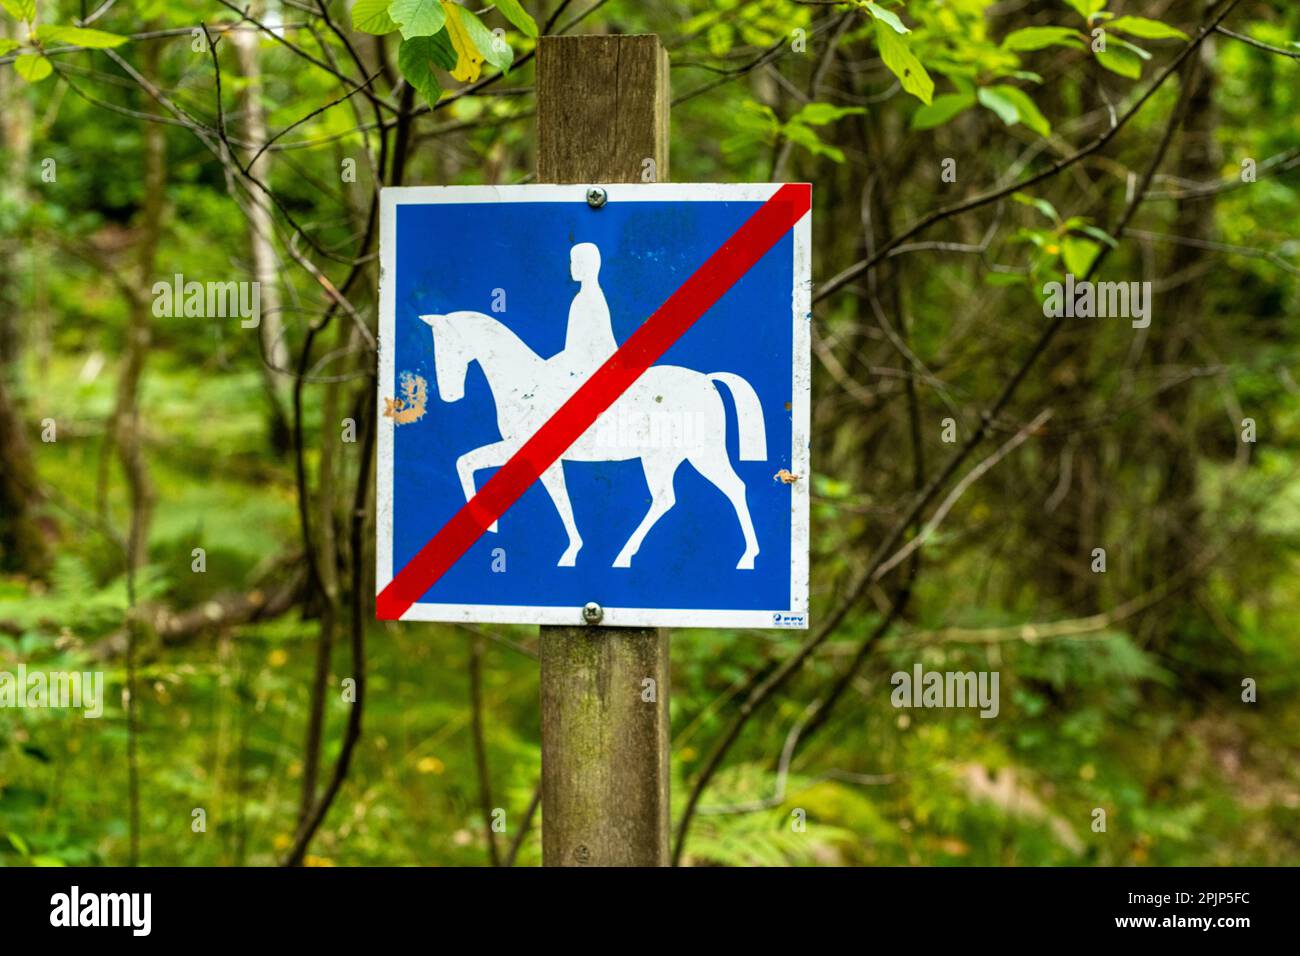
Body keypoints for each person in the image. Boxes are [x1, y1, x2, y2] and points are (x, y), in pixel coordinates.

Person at [557, 242, 617, 381]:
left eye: (575, 262)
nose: (572, 267)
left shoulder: (587, 300)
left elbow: (601, 346)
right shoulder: (585, 297)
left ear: (588, 265)